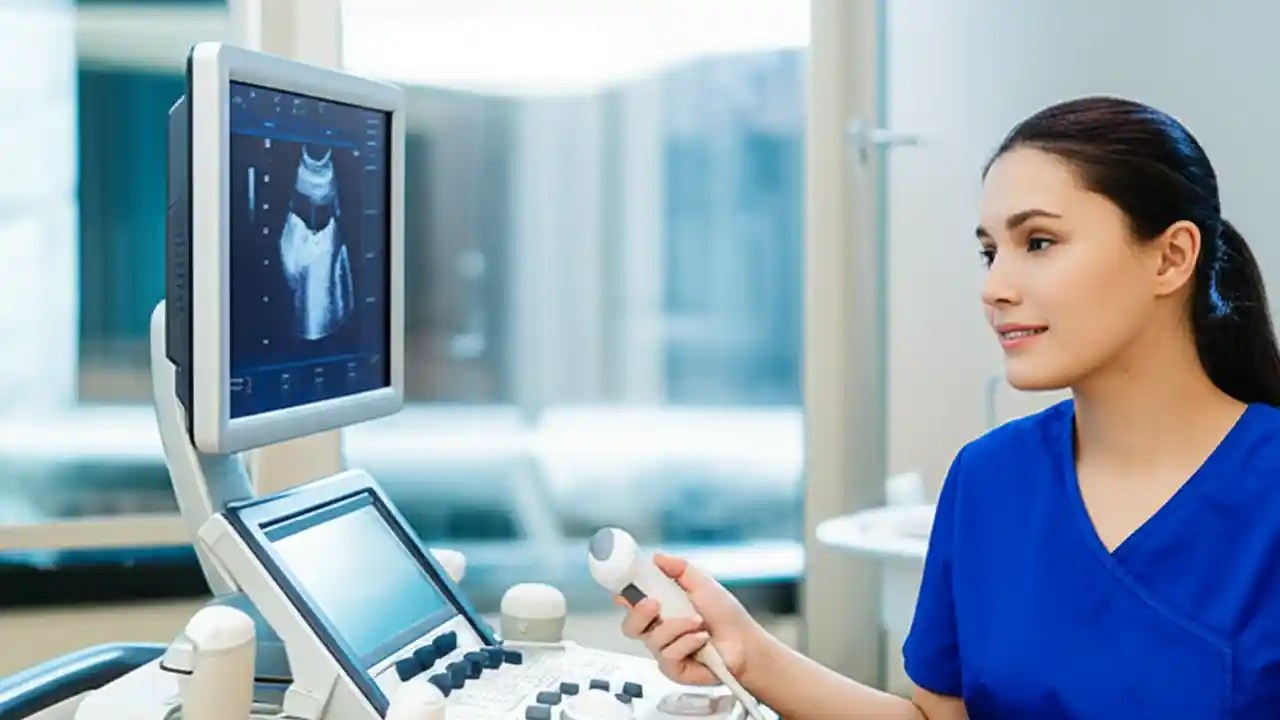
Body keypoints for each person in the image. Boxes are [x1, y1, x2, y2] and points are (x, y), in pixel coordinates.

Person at [615, 95, 1280, 719]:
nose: (994, 287)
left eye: (1039, 243)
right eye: (989, 252)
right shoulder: (991, 478)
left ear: (1171, 257)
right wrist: (750, 656)